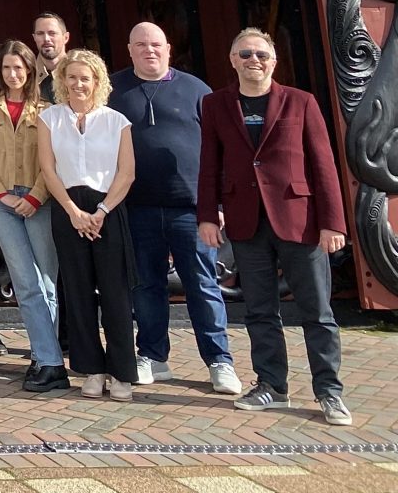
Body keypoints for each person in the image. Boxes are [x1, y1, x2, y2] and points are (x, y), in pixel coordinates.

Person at [198, 28, 351, 425]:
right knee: (260, 311)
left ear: (274, 61)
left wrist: (332, 222)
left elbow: (323, 165)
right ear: (233, 60)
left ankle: (329, 392)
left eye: (262, 54)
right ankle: (271, 386)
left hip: (300, 222)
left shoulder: (301, 102)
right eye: (245, 54)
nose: (254, 61)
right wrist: (206, 216)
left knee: (317, 312)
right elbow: (209, 165)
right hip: (247, 224)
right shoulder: (215, 105)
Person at [110, 21, 241, 395]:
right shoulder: (114, 91)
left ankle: (219, 361)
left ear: (168, 49)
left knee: (203, 285)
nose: (149, 51)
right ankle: (152, 356)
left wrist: (215, 203)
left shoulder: (196, 89)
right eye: (141, 45)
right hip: (137, 208)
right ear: (130, 49)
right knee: (146, 286)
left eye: (156, 45)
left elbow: (219, 150)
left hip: (191, 209)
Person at [38, 48, 139, 400]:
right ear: (62, 80)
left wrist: (101, 212)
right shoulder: (50, 118)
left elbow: (127, 173)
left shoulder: (116, 121)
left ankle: (122, 372)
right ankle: (92, 370)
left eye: (86, 78)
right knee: (78, 293)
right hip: (68, 210)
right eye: (72, 77)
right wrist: (72, 211)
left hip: (107, 210)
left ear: (97, 82)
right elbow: (48, 169)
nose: (79, 84)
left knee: (114, 293)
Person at [0, 40, 67, 393]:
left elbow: (54, 159)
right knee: (26, 283)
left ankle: (45, 356)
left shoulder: (47, 109)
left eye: (19, 68)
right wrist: (1, 194)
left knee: (47, 282)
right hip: (3, 203)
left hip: (40, 201)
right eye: (7, 67)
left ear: (30, 70)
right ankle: (48, 358)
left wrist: (37, 196)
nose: (13, 74)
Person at [31, 14, 71, 105]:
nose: (46, 39)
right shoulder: (26, 76)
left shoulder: (81, 72)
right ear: (34, 38)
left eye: (52, 33)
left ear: (66, 37)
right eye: (40, 33)